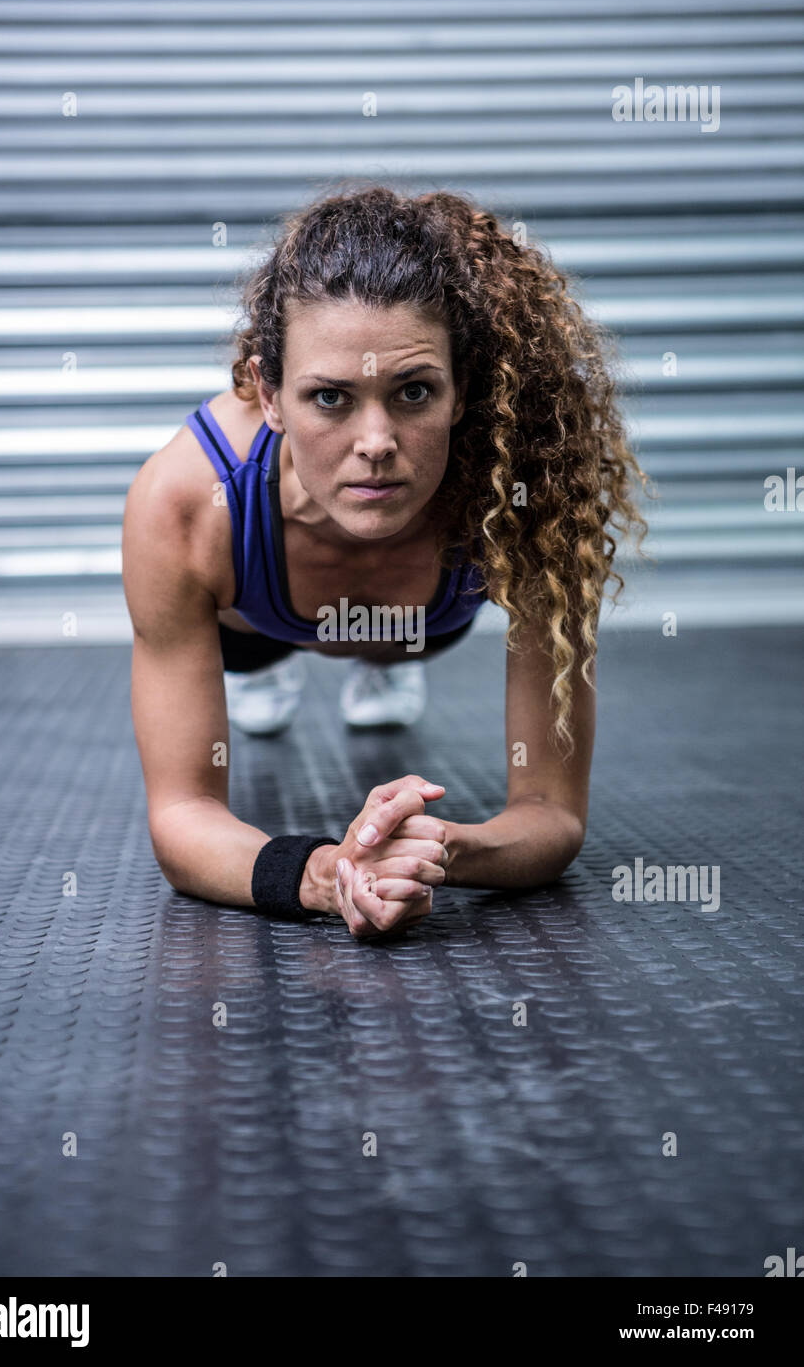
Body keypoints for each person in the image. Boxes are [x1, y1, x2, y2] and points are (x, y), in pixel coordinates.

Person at [122, 184, 648, 938]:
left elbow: (553, 813)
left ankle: (381, 657)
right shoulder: (180, 505)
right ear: (268, 395)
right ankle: (274, 666)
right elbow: (181, 817)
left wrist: (439, 849)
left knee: (392, 634)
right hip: (254, 624)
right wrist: (326, 873)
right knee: (253, 660)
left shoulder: (519, 494)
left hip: (419, 621)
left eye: (412, 392)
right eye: (331, 398)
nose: (376, 442)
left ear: (462, 391)